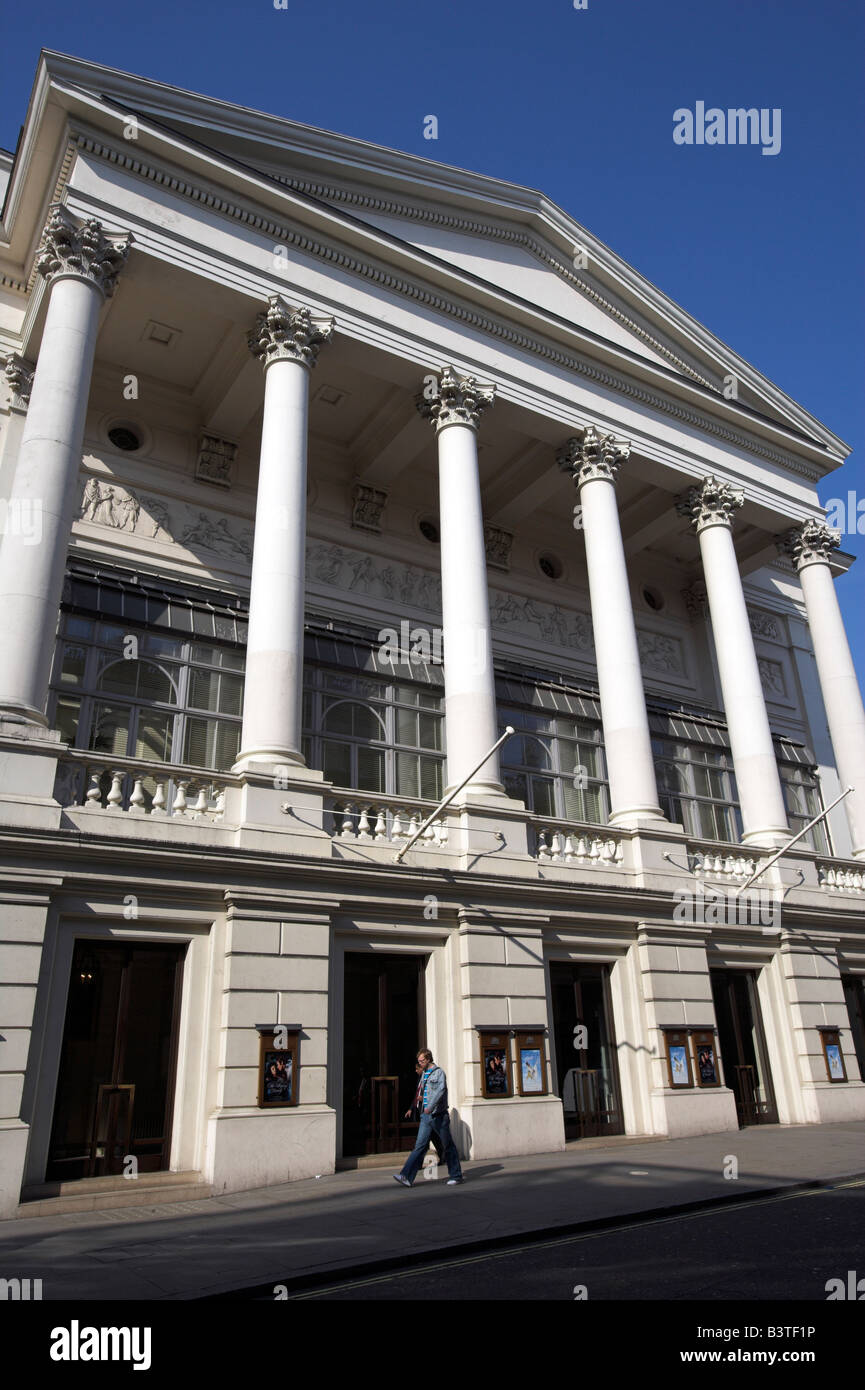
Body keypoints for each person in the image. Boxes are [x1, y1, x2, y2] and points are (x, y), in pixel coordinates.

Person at [393, 1049, 463, 1187]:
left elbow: (440, 1090)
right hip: (426, 1117)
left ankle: (456, 1175)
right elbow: (422, 1092)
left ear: (429, 1059)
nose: (420, 1063)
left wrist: (430, 1106)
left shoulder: (439, 1073)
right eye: (419, 1061)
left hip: (438, 1116)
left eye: (422, 1061)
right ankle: (406, 1176)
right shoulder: (423, 1074)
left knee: (448, 1145)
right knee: (419, 1146)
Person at [404, 1060, 444, 1165]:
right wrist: (411, 1108)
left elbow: (438, 1092)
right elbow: (416, 1095)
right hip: (422, 1113)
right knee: (427, 1140)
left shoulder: (437, 1074)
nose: (416, 1070)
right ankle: (443, 1156)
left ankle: (418, 1163)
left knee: (425, 1142)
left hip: (429, 1112)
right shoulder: (421, 1079)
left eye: (419, 1066)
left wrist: (427, 1103)